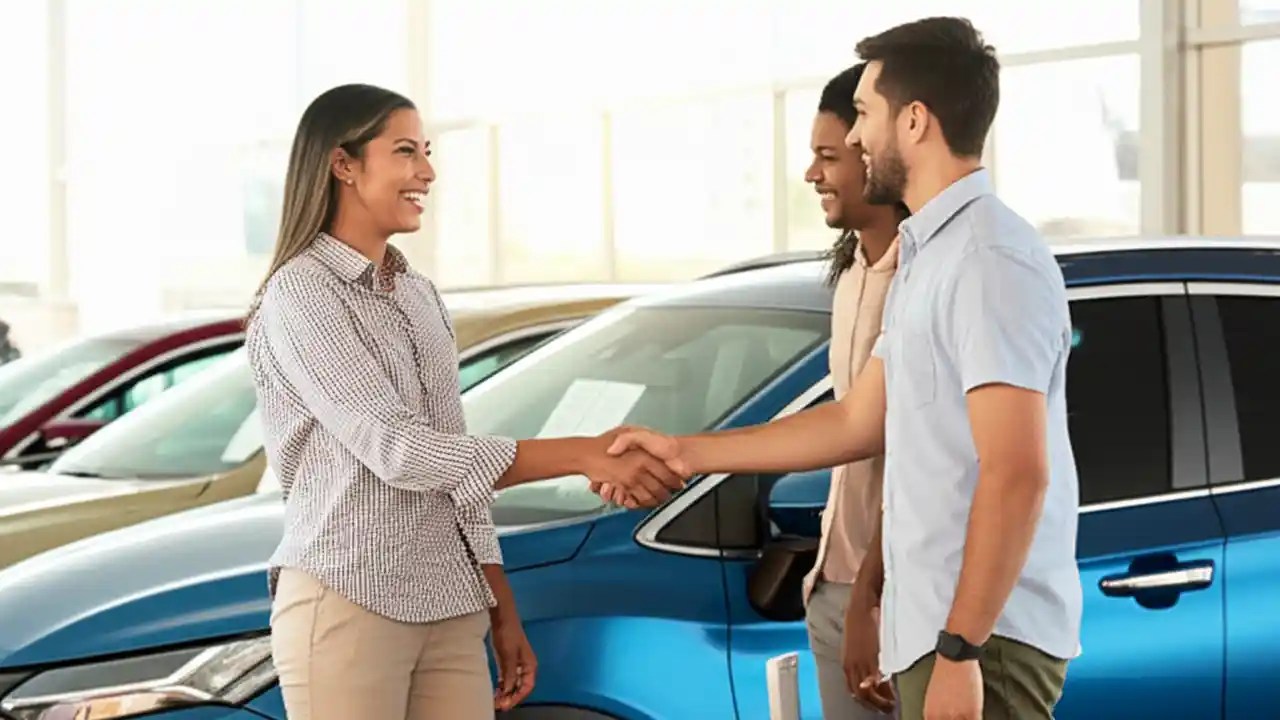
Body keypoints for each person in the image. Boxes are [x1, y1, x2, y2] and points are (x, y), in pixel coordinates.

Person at [601, 17, 1081, 720]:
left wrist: (960, 651)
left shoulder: (988, 261)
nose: (853, 138)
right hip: (937, 631)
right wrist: (684, 451)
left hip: (985, 643)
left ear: (914, 122)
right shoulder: (930, 256)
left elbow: (1017, 473)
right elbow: (857, 419)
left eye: (864, 113)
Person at [244, 83, 685, 720]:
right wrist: (583, 454)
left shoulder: (418, 295)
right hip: (350, 600)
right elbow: (399, 451)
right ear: (343, 164)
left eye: (425, 152)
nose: (426, 171)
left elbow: (456, 466)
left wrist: (501, 608)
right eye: (404, 152)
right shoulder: (301, 294)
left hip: (451, 606)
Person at [800, 63, 906, 719]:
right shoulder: (850, 277)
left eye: (827, 156)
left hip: (896, 591)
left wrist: (871, 593)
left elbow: (925, 457)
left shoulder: (927, 278)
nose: (813, 175)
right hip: (835, 587)